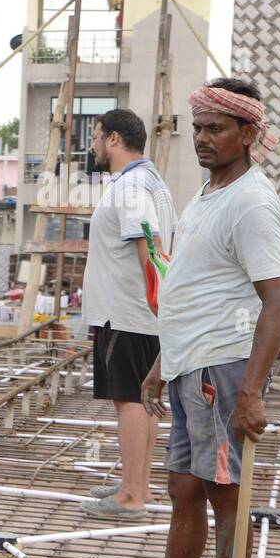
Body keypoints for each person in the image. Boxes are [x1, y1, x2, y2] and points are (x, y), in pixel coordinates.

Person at [88, 78, 280, 558]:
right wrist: (160, 363)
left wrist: (251, 391)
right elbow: (190, 288)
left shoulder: (252, 202)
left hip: (225, 368)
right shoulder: (208, 193)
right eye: (198, 128)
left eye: (216, 129)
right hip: (188, 362)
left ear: (249, 133)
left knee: (227, 494)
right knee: (184, 487)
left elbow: (277, 301)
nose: (202, 138)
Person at [79, 109, 176, 520]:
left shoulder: (132, 186)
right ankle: (137, 485)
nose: (93, 144)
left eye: (97, 136)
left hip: (127, 313)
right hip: (134, 313)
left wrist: (156, 304)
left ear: (114, 139)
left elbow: (147, 244)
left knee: (131, 401)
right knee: (143, 398)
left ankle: (132, 496)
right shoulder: (146, 181)